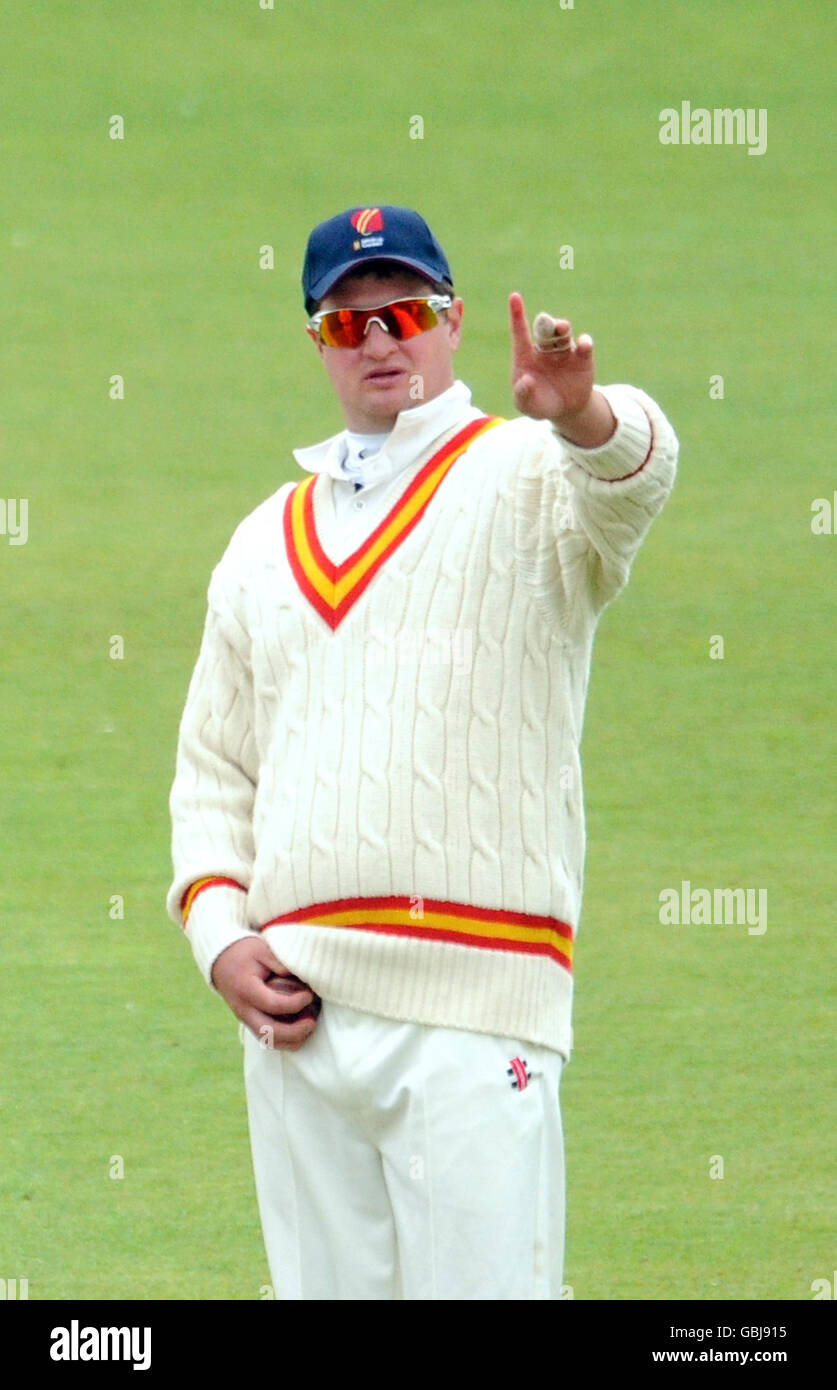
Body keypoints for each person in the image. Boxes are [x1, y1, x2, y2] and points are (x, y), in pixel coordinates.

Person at [166, 204, 678, 1300]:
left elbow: (637, 480)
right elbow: (214, 772)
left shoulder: (529, 472)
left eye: (402, 313)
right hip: (299, 1012)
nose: (380, 342)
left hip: (473, 1002)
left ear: (448, 322)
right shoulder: (263, 540)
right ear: (319, 345)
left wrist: (582, 411)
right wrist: (218, 933)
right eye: (347, 326)